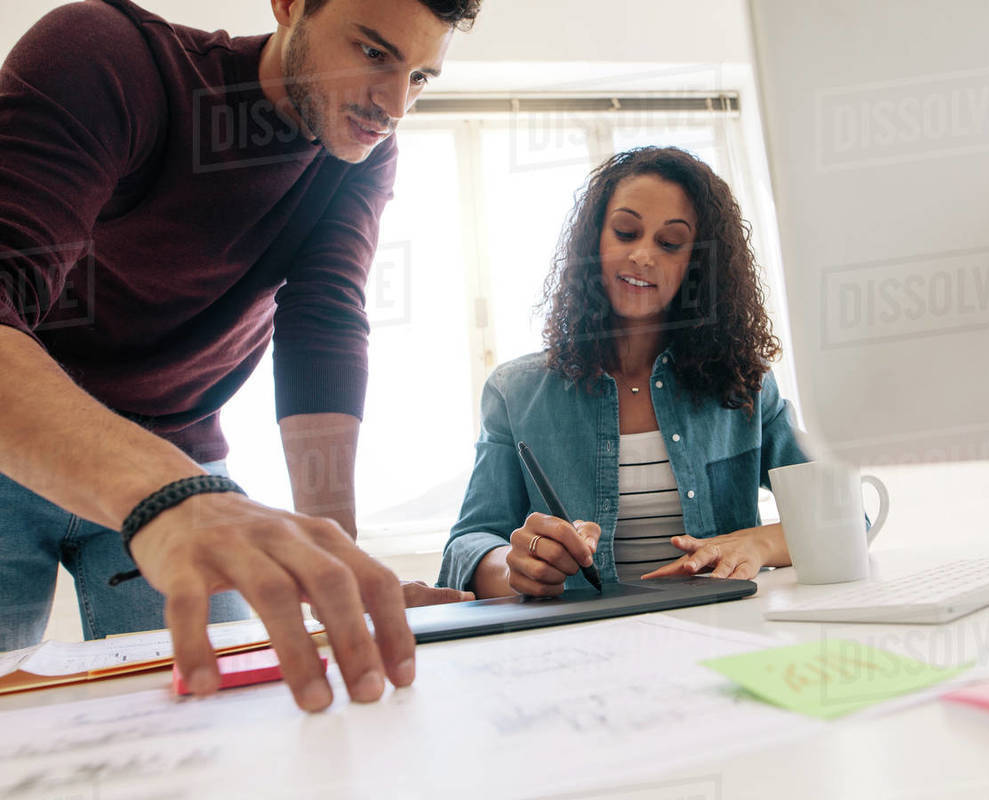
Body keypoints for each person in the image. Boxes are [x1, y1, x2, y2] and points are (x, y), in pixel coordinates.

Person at [0, 0, 480, 712]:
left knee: (213, 724)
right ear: (289, 6)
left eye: (419, 78)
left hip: (181, 455)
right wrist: (167, 491)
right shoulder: (106, 56)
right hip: (25, 445)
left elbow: (323, 324)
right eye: (374, 54)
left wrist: (334, 561)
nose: (393, 106)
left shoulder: (359, 149)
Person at [439, 146, 806, 598]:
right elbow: (466, 545)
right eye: (626, 232)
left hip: (726, 633)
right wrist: (514, 566)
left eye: (670, 243)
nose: (643, 256)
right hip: (584, 650)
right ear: (595, 240)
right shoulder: (515, 393)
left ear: (698, 265)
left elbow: (840, 514)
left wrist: (760, 542)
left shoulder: (743, 385)